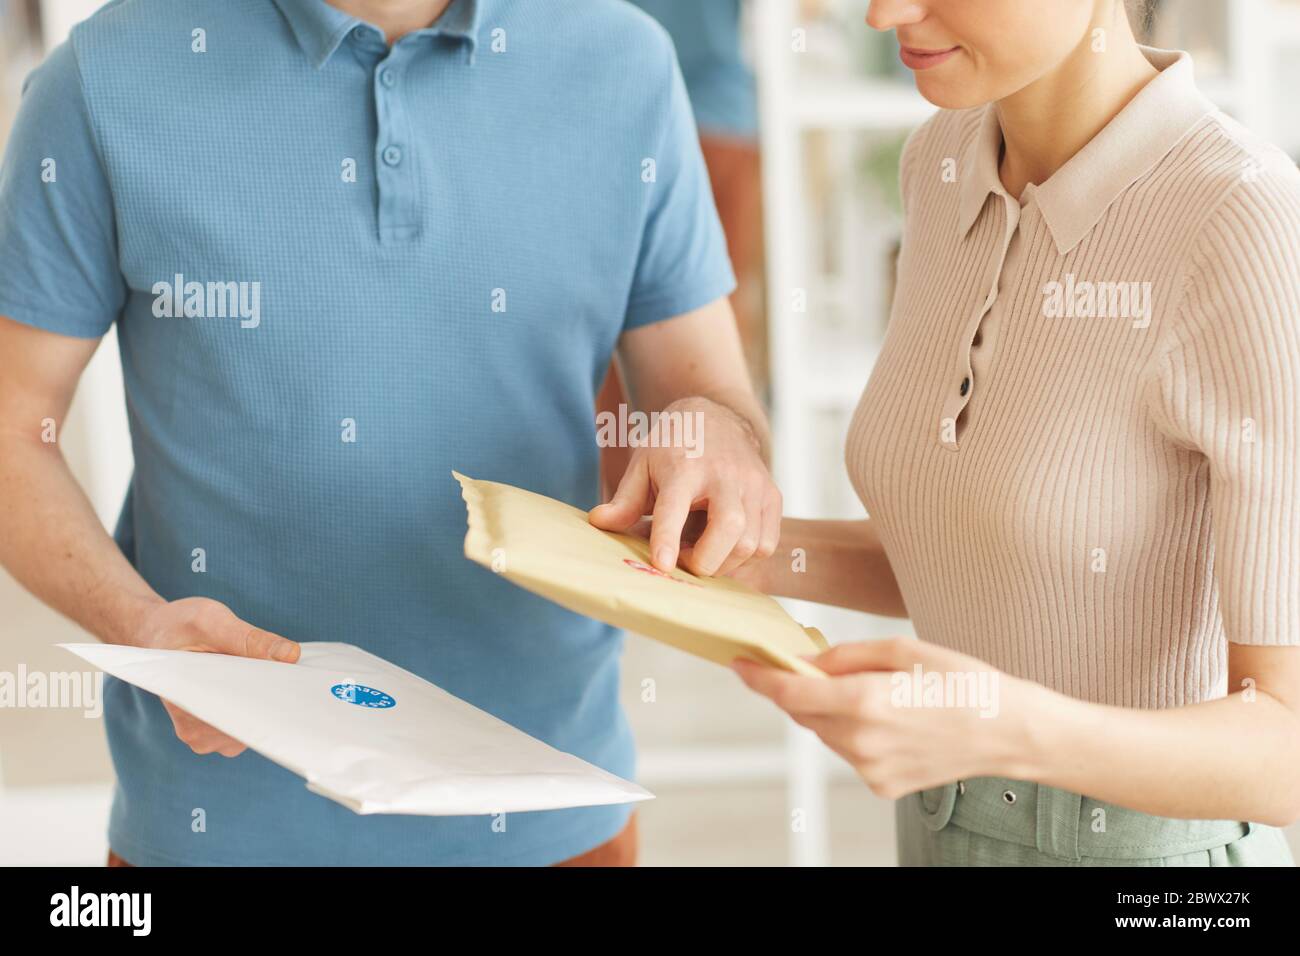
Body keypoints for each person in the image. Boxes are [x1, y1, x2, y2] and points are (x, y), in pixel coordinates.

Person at [0, 0, 780, 866]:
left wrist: (720, 436)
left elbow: (709, 395)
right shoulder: (105, 76)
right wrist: (141, 627)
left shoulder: (625, 61)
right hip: (216, 826)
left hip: (550, 811)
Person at [732, 0, 1300, 866]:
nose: (886, 14)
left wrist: (1003, 729)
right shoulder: (942, 160)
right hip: (938, 836)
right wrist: (740, 552)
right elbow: (982, 555)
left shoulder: (1242, 216)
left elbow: (1286, 750)